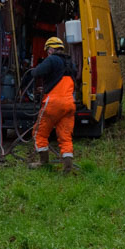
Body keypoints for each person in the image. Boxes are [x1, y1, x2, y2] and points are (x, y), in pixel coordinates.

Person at [30, 36, 78, 175]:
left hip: (54, 103)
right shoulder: (70, 62)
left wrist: (33, 72)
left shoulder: (51, 59)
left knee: (39, 132)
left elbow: (38, 72)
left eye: (47, 50)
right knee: (65, 137)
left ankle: (43, 162)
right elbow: (60, 80)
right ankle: (67, 168)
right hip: (69, 104)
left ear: (50, 49)